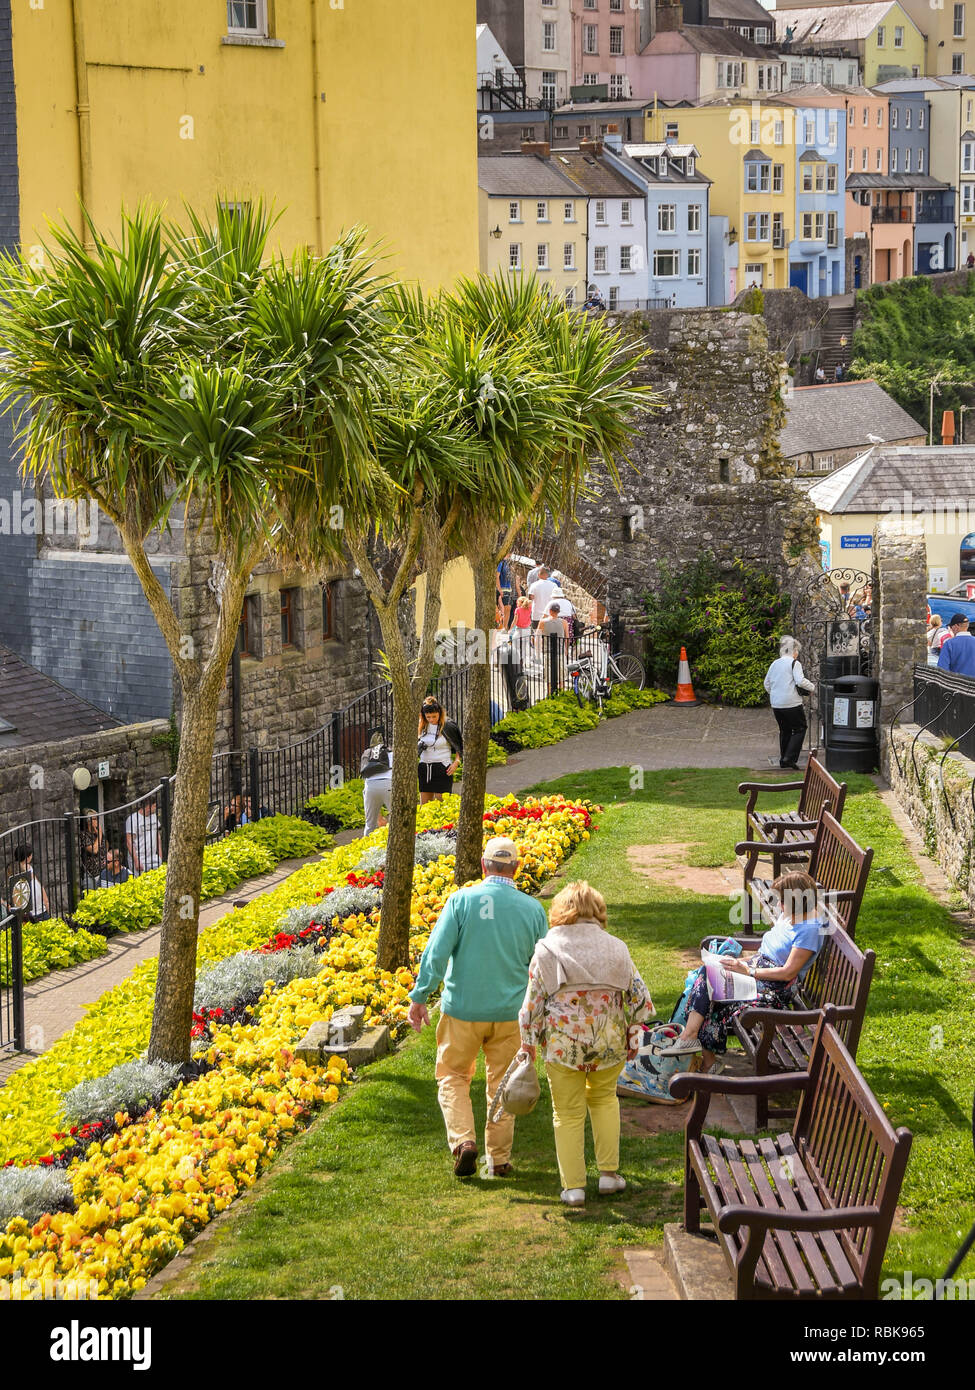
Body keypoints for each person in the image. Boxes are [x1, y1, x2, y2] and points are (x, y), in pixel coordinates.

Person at [407, 836, 549, 1178]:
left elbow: (437, 953)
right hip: (511, 1014)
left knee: (452, 1076)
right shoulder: (532, 910)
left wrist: (420, 995)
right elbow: (543, 967)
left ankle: (463, 1141)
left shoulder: (461, 900)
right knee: (503, 1084)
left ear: (484, 865)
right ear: (515, 868)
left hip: (462, 1011)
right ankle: (498, 1159)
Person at [519, 881, 654, 1207]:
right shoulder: (616, 947)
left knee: (566, 1113)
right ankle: (609, 1176)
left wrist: (529, 1042)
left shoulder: (547, 951)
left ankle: (574, 1188)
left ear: (560, 911)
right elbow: (638, 997)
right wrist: (634, 1032)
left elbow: (531, 1006)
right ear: (598, 911)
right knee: (605, 1100)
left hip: (564, 1046)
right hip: (609, 1042)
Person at [659, 871, 825, 1071]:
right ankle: (694, 1042)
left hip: (774, 987)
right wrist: (736, 962)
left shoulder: (809, 930)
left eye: (783, 900)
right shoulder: (791, 916)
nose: (779, 905)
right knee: (710, 972)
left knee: (714, 989)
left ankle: (699, 1049)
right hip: (757, 970)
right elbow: (766, 952)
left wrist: (748, 970)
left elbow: (788, 973)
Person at [764, 635, 815, 770]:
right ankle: (789, 758)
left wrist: (775, 694)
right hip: (791, 703)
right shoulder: (794, 663)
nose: (797, 654)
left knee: (785, 730)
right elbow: (800, 681)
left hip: (776, 704)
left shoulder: (774, 663)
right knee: (800, 728)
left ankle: (783, 759)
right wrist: (812, 687)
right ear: (794, 651)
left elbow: (766, 683)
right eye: (797, 651)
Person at [417, 696, 463, 803]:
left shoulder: (448, 725)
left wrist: (456, 762)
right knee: (425, 806)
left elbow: (459, 746)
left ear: (440, 713)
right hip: (424, 768)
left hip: (443, 768)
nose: (431, 720)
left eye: (434, 716)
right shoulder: (421, 726)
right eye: (428, 717)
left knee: (441, 803)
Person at [13, 842, 50, 921]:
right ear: (27, 857)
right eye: (31, 855)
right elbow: (39, 885)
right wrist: (46, 903)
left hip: (29, 913)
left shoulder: (19, 870)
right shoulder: (26, 869)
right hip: (38, 910)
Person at [125, 797, 162, 874]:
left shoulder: (154, 816)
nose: (156, 808)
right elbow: (129, 842)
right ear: (149, 806)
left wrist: (160, 856)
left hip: (153, 858)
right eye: (155, 806)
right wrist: (136, 860)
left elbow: (157, 836)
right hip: (139, 858)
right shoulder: (133, 819)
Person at [362, 745, 393, 835]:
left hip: (370, 786)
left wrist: (379, 818)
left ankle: (366, 845)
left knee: (369, 824)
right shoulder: (393, 754)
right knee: (397, 819)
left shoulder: (368, 755)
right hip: (388, 784)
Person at [79, 813, 107, 889]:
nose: (97, 821)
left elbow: (105, 848)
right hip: (91, 874)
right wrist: (100, 834)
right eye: (94, 819)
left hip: (103, 872)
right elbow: (94, 850)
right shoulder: (83, 835)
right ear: (88, 822)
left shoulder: (98, 835)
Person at [528, 566, 557, 631]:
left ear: (539, 574)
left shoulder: (534, 585)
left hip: (536, 615)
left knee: (536, 635)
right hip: (549, 615)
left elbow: (531, 598)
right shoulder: (554, 585)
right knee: (548, 635)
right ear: (547, 575)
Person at [513, 595, 533, 665]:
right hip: (527, 630)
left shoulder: (517, 610)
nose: (516, 604)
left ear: (521, 603)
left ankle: (517, 661)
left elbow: (515, 621)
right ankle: (522, 662)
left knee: (516, 646)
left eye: (517, 602)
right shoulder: (529, 609)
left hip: (519, 629)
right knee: (524, 647)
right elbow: (530, 602)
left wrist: (510, 629)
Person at [496, 557, 514, 630]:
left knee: (508, 608)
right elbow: (497, 576)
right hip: (502, 588)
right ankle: (500, 626)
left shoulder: (508, 563)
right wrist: (499, 589)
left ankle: (504, 627)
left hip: (508, 589)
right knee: (502, 608)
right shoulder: (501, 562)